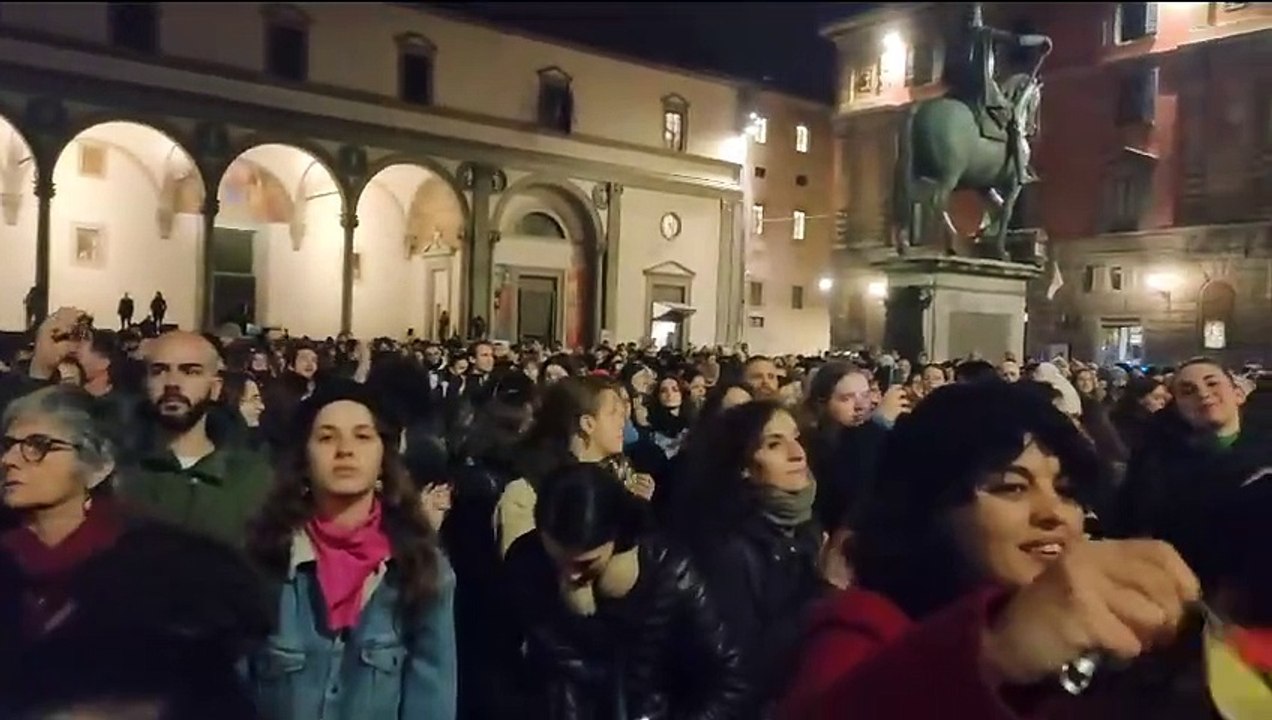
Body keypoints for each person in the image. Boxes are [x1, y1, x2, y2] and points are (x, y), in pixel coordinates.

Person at [781, 381, 1200, 719]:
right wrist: (992, 655)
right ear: (932, 504)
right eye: (1012, 487)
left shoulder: (1103, 643)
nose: (1054, 513)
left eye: (1066, 490)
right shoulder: (862, 627)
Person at [0, 386, 270, 716]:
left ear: (98, 464)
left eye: (37, 446)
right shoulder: (7, 558)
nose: (10, 460)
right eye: (8, 445)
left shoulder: (143, 562)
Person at [244, 381, 456, 720]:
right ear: (303, 458)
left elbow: (432, 699)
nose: (345, 450)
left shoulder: (421, 568)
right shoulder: (263, 562)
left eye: (362, 436)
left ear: (383, 456)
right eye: (327, 437)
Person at [504, 463, 750, 719]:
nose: (571, 575)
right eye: (558, 559)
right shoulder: (528, 564)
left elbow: (728, 677)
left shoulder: (668, 574)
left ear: (616, 537)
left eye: (585, 563)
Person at [115, 331, 272, 548]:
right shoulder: (119, 475)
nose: (172, 383)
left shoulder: (252, 478)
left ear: (216, 387)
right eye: (159, 371)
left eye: (190, 371)